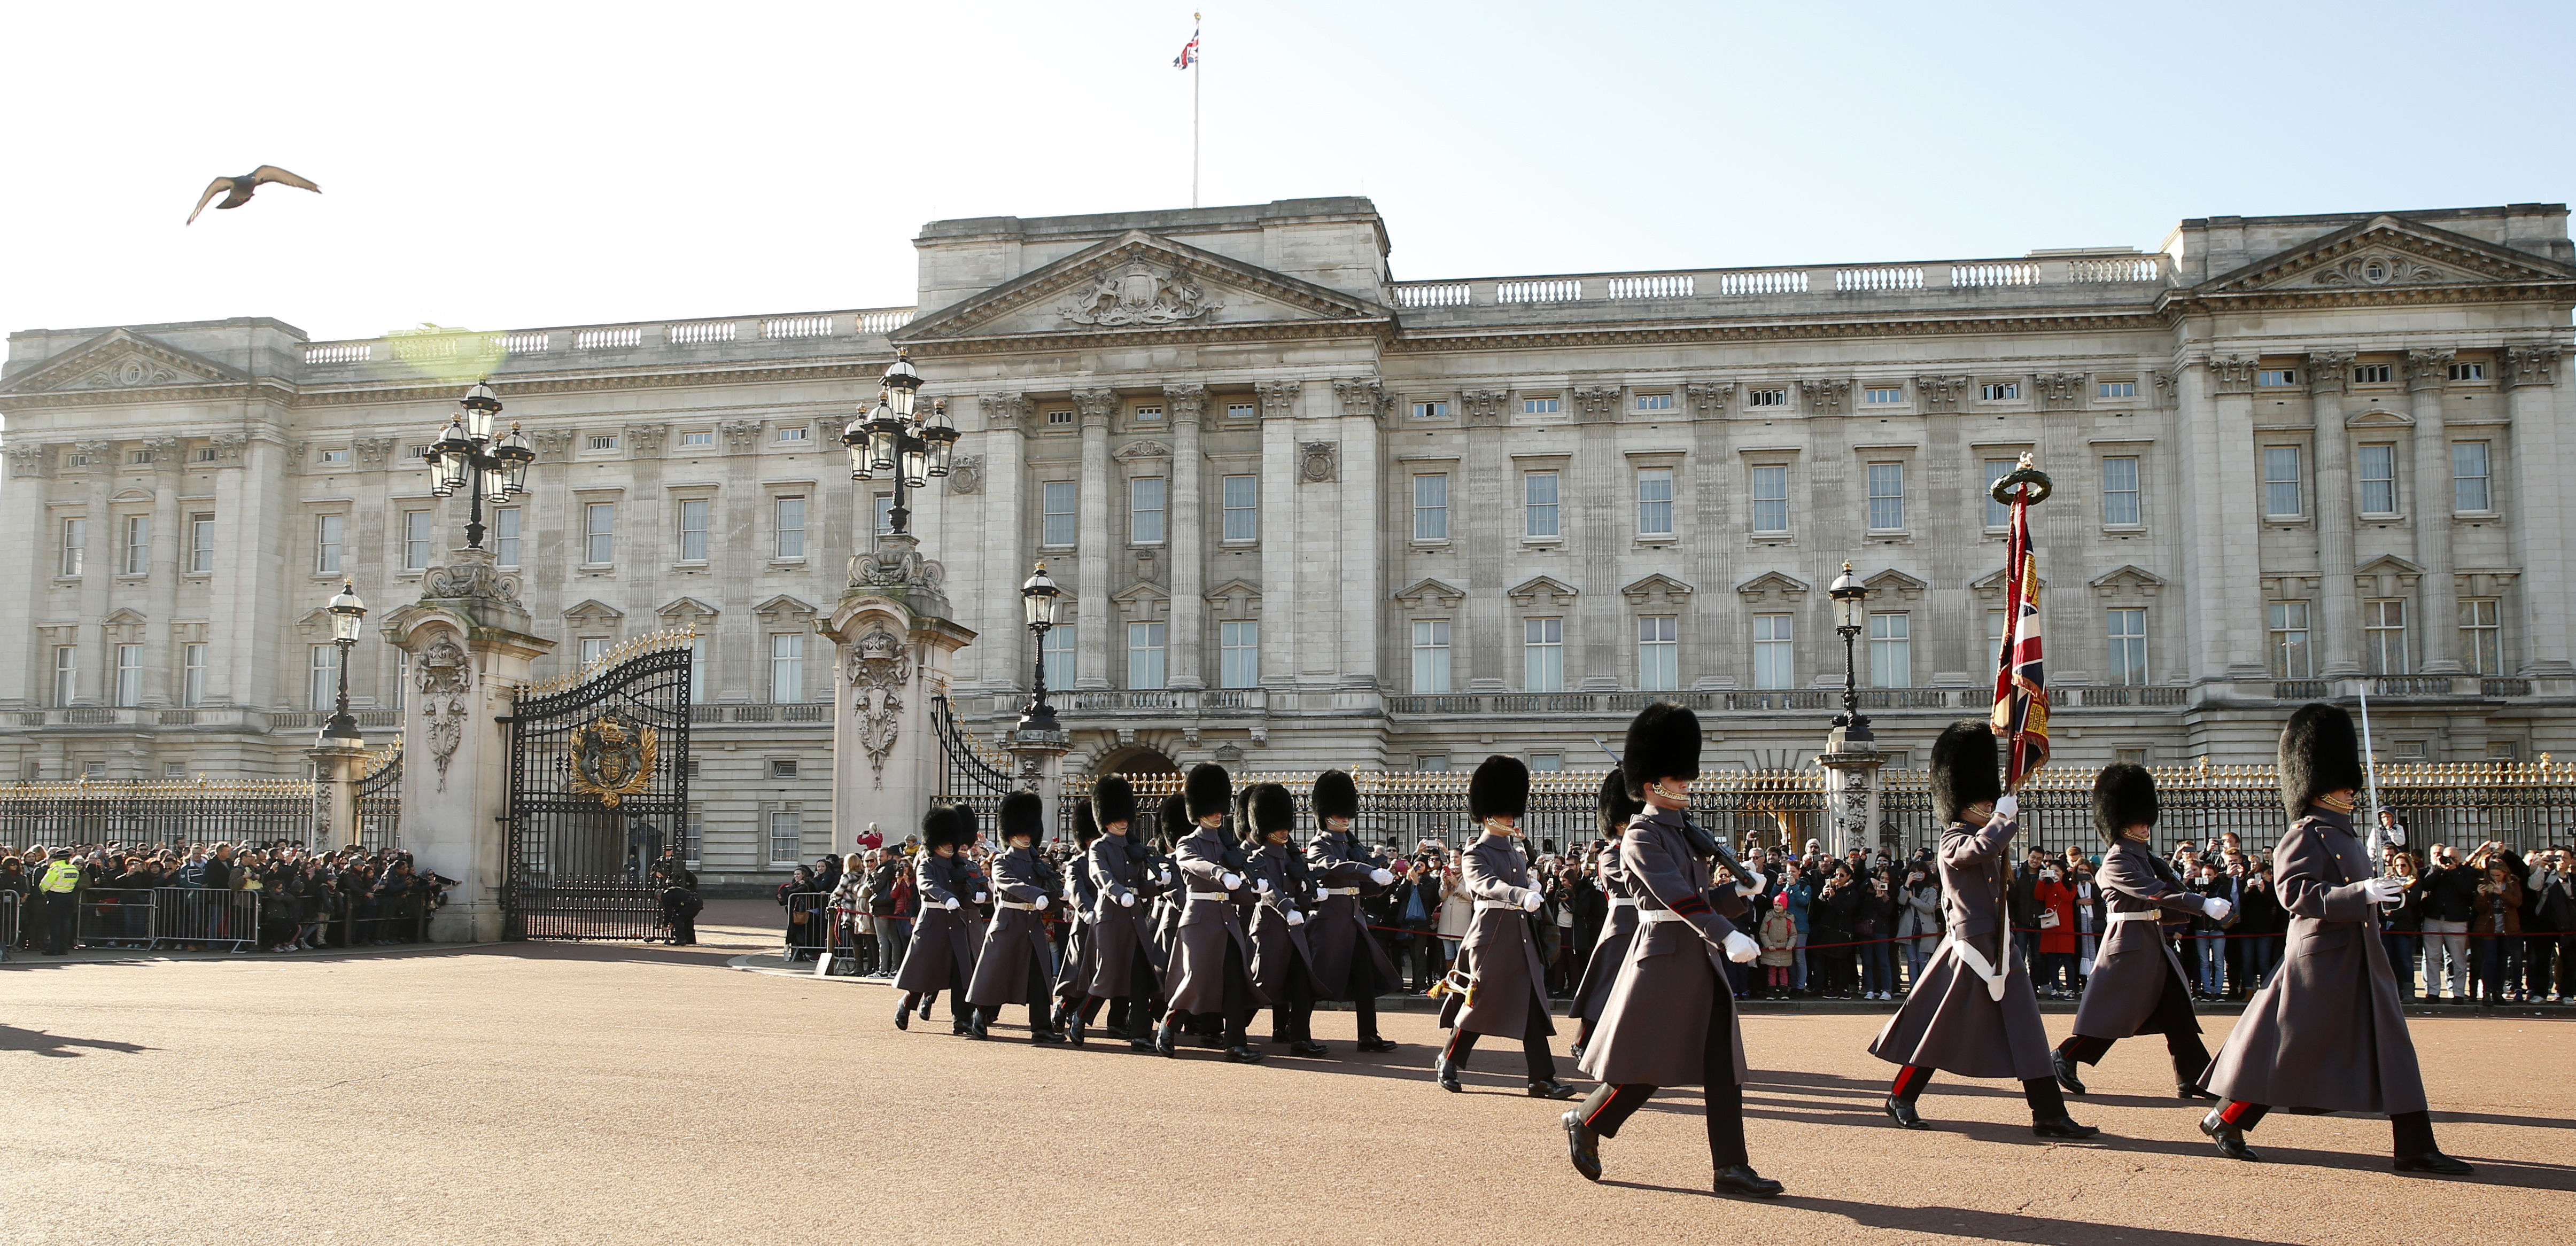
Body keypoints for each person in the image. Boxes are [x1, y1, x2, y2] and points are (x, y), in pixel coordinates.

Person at [2198, 703, 2473, 1174]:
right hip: (2322, 957)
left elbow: (2352, 892)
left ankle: (2413, 1144)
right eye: (2344, 780)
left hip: (2359, 954)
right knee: (2295, 1048)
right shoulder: (2306, 833)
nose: (2352, 787)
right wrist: (2359, 892)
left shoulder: (2345, 833)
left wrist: (2380, 896)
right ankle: (2228, 1116)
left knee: (2391, 1048)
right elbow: (2295, 894)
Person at [1565, 702, 1780, 1199]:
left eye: (1686, 777)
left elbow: (1701, 899)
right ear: (1650, 784)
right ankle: (1585, 1118)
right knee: (1649, 1064)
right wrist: (1725, 933)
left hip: (1697, 955)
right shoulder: (1641, 834)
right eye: (1676, 778)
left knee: (1723, 1066)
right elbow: (1672, 897)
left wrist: (1739, 896)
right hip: (1664, 958)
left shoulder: (1682, 832)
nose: (1686, 784)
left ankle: (1731, 1166)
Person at [1869, 720, 2096, 1138]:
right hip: (1971, 948)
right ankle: (1901, 1095)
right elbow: (1979, 849)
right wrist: (2003, 820)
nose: (1990, 809)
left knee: (2027, 1027)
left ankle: (2048, 1113)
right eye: (1984, 805)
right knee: (1942, 1027)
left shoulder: (1984, 830)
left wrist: (2001, 815)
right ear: (1963, 806)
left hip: (2000, 943)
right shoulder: (1953, 839)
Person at [2052, 762, 2225, 1103]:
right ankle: (2066, 1055)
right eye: (2138, 819)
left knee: (2178, 1012)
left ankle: (2193, 1077)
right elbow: (2153, 892)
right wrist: (2201, 905)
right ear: (2121, 819)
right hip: (2128, 945)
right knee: (2117, 1013)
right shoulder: (2118, 860)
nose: (2145, 825)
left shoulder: (2144, 857)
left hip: (2152, 942)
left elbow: (2165, 889)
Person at [1435, 754, 1578, 1100]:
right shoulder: (1475, 853)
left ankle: (1542, 1078)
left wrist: (1533, 889)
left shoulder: (1515, 853)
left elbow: (1518, 882)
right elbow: (1485, 885)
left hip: (1520, 936)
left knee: (1531, 1005)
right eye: (1505, 813)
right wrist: (1520, 893)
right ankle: (1449, 1058)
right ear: (1488, 816)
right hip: (1491, 935)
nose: (1512, 818)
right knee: (1481, 1002)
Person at [1158, 763, 1267, 1062]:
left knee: (1234, 979)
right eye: (1213, 809)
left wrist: (1253, 892)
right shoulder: (1187, 841)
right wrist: (1221, 873)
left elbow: (1239, 889)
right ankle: (1170, 1022)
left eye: (1221, 809)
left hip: (1227, 919)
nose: (1219, 814)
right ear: (1199, 810)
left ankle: (1235, 1044)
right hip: (1200, 918)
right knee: (1196, 978)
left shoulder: (1228, 843)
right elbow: (1193, 864)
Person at [1303, 769, 1401, 1054]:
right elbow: (1334, 869)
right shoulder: (1319, 844)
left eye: (1347, 814)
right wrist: (1369, 870)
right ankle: (1298, 1031)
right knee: (1318, 977)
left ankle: (1368, 1035)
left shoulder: (1350, 844)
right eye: (1340, 814)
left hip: (1353, 919)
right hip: (1329, 922)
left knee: (1365, 978)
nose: (1346, 819)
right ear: (1325, 815)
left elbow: (1358, 887)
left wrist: (1380, 881)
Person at [964, 792, 1066, 1044]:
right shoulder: (1002, 861)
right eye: (1022, 833)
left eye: (1029, 832)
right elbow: (1008, 883)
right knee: (997, 973)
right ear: (1011, 835)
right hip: (1009, 922)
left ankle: (1041, 1027)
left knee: (1039, 975)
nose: (1027, 837)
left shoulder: (1036, 863)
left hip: (1032, 924)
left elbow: (1050, 893)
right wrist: (1036, 893)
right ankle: (981, 1014)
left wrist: (1061, 894)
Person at [1076, 775, 1168, 1049]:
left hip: (1135, 918)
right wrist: (1120, 894)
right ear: (1105, 819)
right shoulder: (1099, 848)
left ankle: (1141, 1034)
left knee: (1140, 975)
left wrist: (1158, 884)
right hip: (1111, 918)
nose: (1123, 822)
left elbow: (1140, 885)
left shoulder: (1133, 847)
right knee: (1109, 974)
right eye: (1117, 817)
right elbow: (1100, 876)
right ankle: (1081, 1017)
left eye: (1125, 817)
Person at [1240, 783, 1323, 1056]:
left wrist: (1311, 897)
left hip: (1294, 930)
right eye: (1278, 827)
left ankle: (1300, 1039)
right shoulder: (1258, 857)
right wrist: (1288, 907)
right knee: (1263, 984)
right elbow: (1269, 892)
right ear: (1265, 828)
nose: (1284, 831)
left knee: (1302, 982)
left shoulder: (1291, 857)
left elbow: (1297, 889)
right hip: (1270, 929)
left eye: (1285, 826)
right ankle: (1234, 1032)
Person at [1568, 769, 1645, 1056]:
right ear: (1619, 825)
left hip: (1647, 925)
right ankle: (1582, 1041)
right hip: (1622, 926)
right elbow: (1630, 880)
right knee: (1605, 987)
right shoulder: (1610, 854)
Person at [891, 805, 981, 1035]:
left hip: (955, 923)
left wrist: (976, 898)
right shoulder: (926, 865)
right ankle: (907, 1003)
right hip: (932, 922)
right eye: (948, 842)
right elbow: (927, 885)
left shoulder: (957, 866)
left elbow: (964, 892)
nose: (952, 846)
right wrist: (946, 896)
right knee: (925, 972)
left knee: (961, 973)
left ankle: (961, 1019)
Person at [1048, 800, 1103, 1040]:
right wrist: (1088, 911)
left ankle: (1081, 1017)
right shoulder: (1077, 864)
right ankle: (1063, 1009)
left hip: (1110, 925)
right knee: (1080, 979)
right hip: (1086, 925)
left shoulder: (1110, 859)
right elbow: (1077, 890)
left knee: (1107, 976)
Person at [38, 848, 80, 955]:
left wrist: (46, 894)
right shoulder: (74, 869)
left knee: (55, 925)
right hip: (69, 897)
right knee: (66, 925)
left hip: (56, 898)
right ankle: (64, 949)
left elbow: (44, 885)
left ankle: (54, 949)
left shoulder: (56, 869)